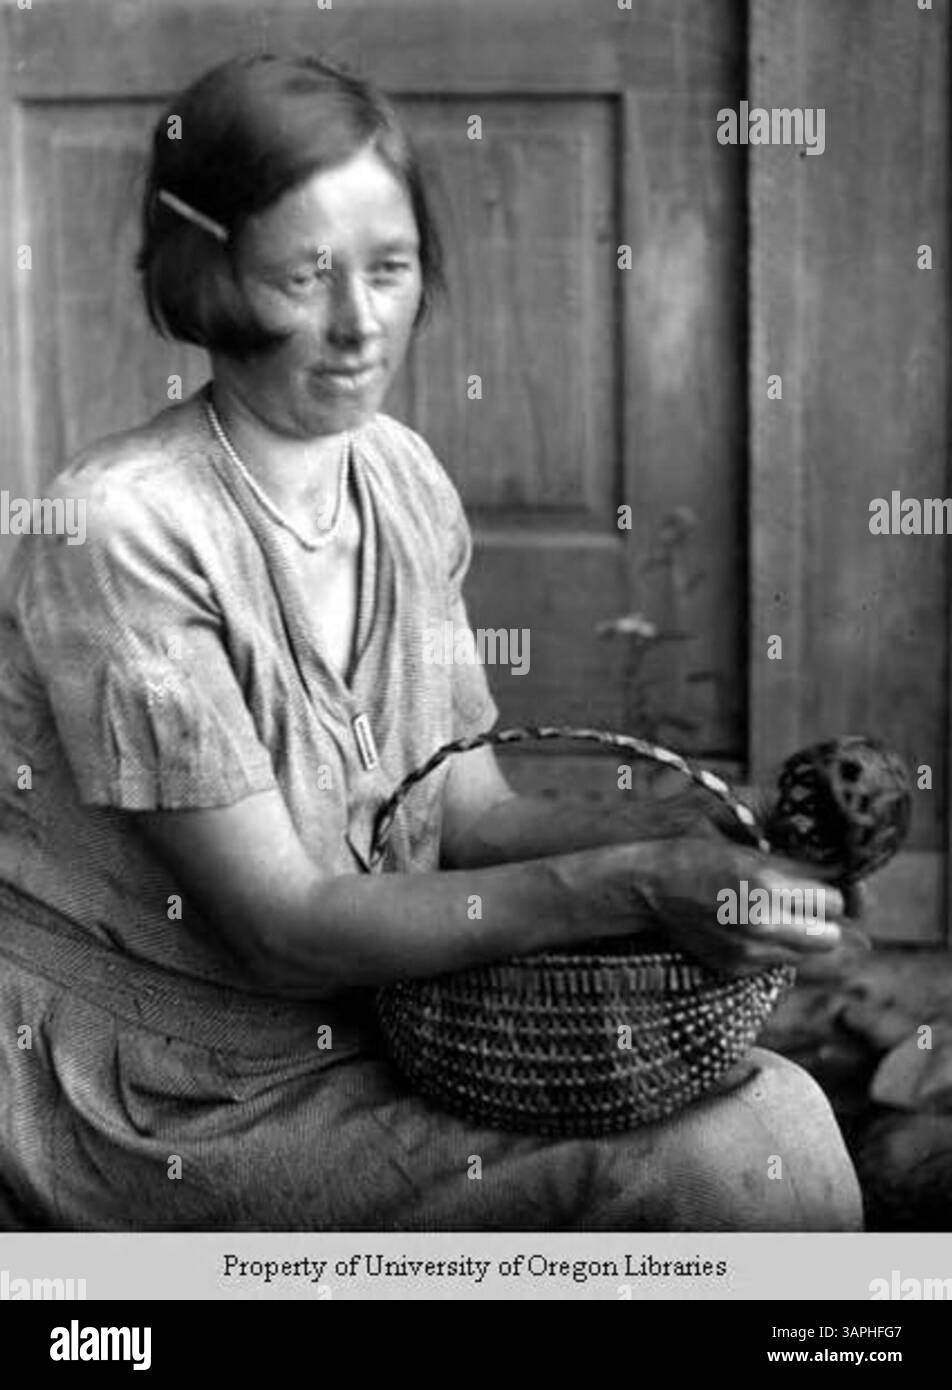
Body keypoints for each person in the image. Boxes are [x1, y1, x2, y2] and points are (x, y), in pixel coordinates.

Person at [0, 54, 862, 1233]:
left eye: (391, 270)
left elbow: (465, 813)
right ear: (205, 273)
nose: (361, 325)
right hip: (177, 1084)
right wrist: (635, 886)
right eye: (304, 275)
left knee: (776, 1110)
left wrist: (730, 829)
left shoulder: (399, 477)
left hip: (381, 1012)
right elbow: (282, 928)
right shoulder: (124, 531)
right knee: (727, 1157)